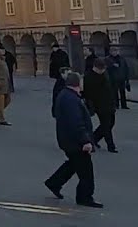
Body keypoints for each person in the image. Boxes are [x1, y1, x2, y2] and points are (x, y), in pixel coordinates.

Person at [44, 71, 102, 208]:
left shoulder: (67, 95)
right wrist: (85, 141)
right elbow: (76, 123)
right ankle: (84, 197)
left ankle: (54, 182)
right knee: (86, 171)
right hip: (74, 141)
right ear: (77, 83)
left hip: (68, 139)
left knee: (74, 164)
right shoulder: (71, 99)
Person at [83, 58, 118, 152]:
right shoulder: (89, 76)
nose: (102, 71)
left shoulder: (105, 74)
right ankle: (111, 146)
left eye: (103, 69)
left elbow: (109, 87)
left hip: (109, 103)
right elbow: (88, 93)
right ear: (95, 67)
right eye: (100, 69)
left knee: (111, 123)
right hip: (99, 105)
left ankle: (93, 138)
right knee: (106, 125)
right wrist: (91, 106)